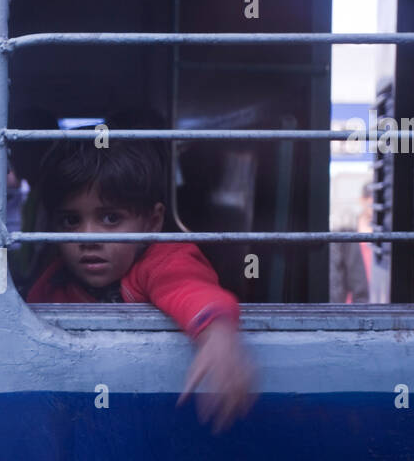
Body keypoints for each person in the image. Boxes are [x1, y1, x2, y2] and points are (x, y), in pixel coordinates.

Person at [26, 139, 256, 432]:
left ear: (152, 222)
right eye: (71, 221)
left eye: (110, 218)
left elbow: (189, 287)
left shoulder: (160, 261)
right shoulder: (54, 280)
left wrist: (217, 332)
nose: (88, 238)